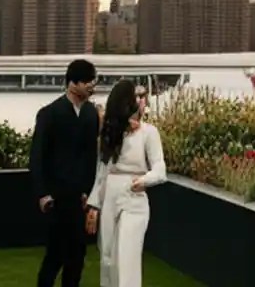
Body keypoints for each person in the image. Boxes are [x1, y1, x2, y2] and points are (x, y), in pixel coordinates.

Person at [86, 80, 167, 287]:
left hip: (134, 198)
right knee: (107, 257)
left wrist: (144, 181)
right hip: (110, 195)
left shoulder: (149, 132)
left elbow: (160, 170)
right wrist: (94, 206)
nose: (142, 101)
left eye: (142, 96)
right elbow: (101, 171)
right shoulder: (110, 133)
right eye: (137, 96)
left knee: (126, 255)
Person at [30, 58, 100, 287]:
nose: (92, 86)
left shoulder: (91, 114)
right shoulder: (49, 114)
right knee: (55, 255)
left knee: (77, 257)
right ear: (73, 84)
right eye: (88, 81)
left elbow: (92, 157)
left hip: (80, 199)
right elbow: (37, 157)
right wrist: (43, 193)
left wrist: (89, 193)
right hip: (56, 198)